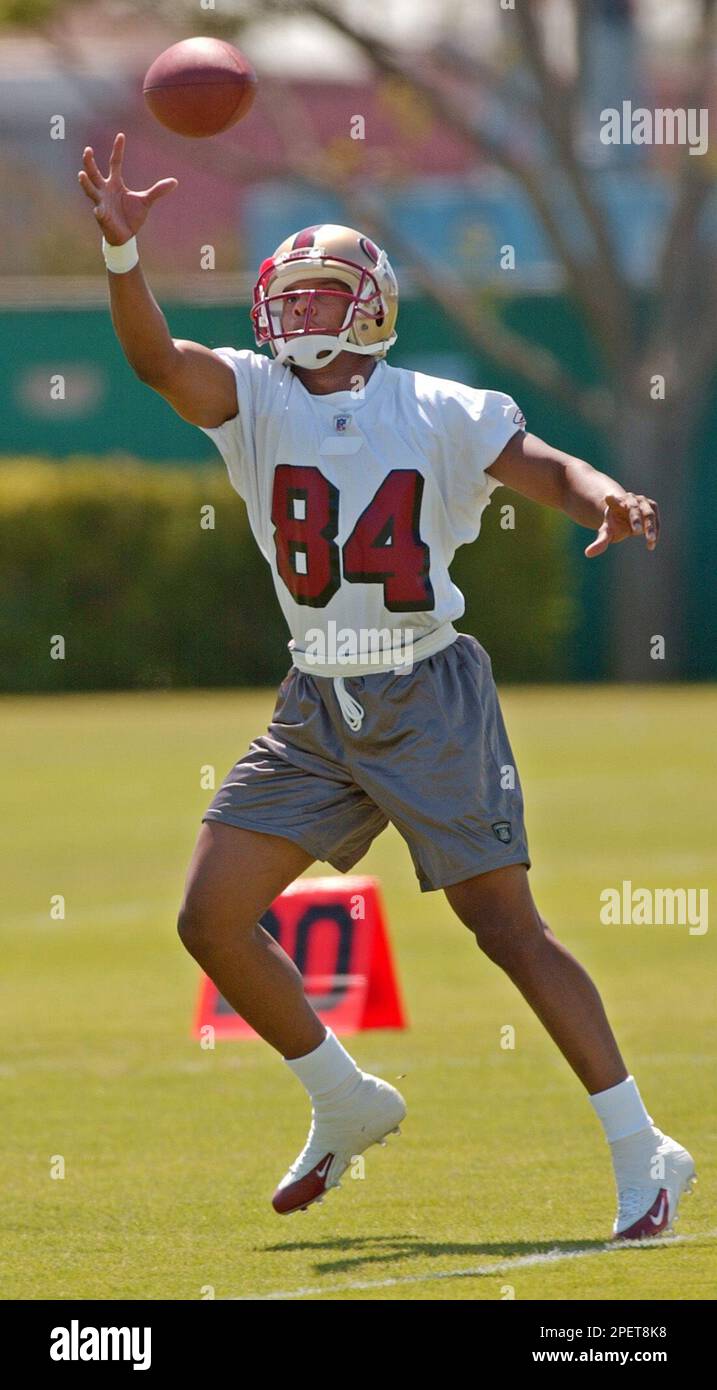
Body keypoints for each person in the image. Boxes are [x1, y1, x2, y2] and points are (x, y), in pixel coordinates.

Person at [79, 132, 696, 1236]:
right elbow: (157, 365)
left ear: (372, 309)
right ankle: (344, 1097)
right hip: (318, 697)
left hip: (425, 690)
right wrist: (126, 256)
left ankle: (642, 1148)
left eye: (326, 299)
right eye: (293, 298)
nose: (303, 316)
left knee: (506, 927)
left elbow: (540, 462)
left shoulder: (440, 407)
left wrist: (603, 493)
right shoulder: (257, 397)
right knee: (211, 917)